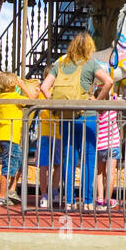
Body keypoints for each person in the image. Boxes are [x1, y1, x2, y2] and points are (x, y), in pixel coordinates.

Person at [40, 30, 110, 211]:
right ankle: (87, 201)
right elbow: (108, 81)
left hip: (66, 116)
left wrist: (54, 104)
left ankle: (69, 200)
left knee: (69, 158)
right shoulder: (90, 63)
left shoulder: (60, 64)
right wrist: (97, 100)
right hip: (87, 116)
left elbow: (44, 87)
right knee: (88, 159)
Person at [0, 72, 26, 207]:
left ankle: (11, 190)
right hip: (10, 136)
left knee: (18, 163)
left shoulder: (0, 96)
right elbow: (31, 98)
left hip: (6, 136)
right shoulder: (14, 97)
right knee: (8, 166)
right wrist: (24, 86)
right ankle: (2, 196)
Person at [95, 89, 122, 211]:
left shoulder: (95, 112)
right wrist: (114, 97)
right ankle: (107, 200)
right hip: (113, 144)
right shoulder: (112, 109)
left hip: (100, 145)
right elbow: (118, 99)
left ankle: (100, 199)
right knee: (110, 173)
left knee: (99, 173)